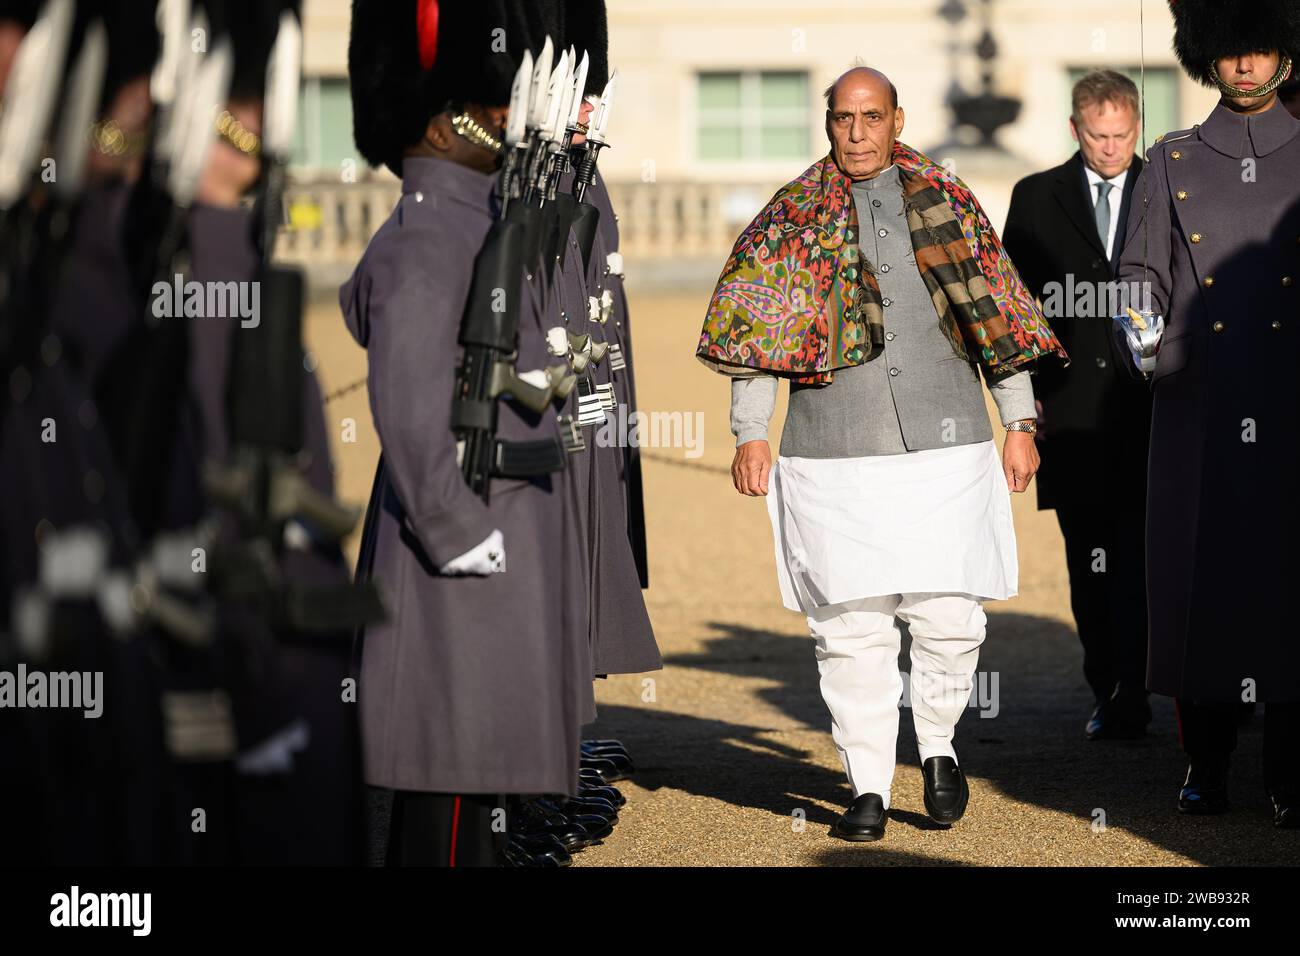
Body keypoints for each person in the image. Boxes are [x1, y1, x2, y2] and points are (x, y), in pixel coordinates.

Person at [698, 66, 1066, 841]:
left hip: (948, 442)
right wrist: (750, 432)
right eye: (843, 118)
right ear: (828, 122)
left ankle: (936, 746)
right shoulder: (791, 217)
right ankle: (866, 782)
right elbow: (759, 337)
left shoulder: (950, 202)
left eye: (871, 116)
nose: (857, 132)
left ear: (897, 118)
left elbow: (993, 316)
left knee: (949, 617)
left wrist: (1021, 423)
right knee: (849, 627)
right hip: (833, 448)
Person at [344, 0, 593, 866]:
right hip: (457, 560)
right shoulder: (428, 239)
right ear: (435, 122)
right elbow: (410, 404)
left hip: (494, 544)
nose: (499, 116)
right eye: (482, 105)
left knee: (477, 792)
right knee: (448, 818)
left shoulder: (475, 223)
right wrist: (454, 526)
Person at [1116, 0, 1300, 827]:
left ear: (1287, 55)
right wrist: (1141, 333)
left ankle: (1289, 770)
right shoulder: (1170, 158)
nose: (1247, 67)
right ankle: (1208, 759)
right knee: (1204, 583)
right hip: (1202, 404)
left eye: (1261, 50)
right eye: (1231, 54)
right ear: (1207, 60)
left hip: (1292, 399)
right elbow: (1137, 273)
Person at [1003, 70, 1154, 740]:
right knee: (1091, 563)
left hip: (1157, 414)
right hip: (1072, 418)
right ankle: (1115, 692)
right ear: (1075, 129)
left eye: (1123, 135)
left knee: (1152, 560)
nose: (1112, 147)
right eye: (1099, 135)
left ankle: (1168, 688)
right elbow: (1010, 314)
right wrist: (1024, 418)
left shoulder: (1168, 189)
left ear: (1137, 128)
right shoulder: (1035, 198)